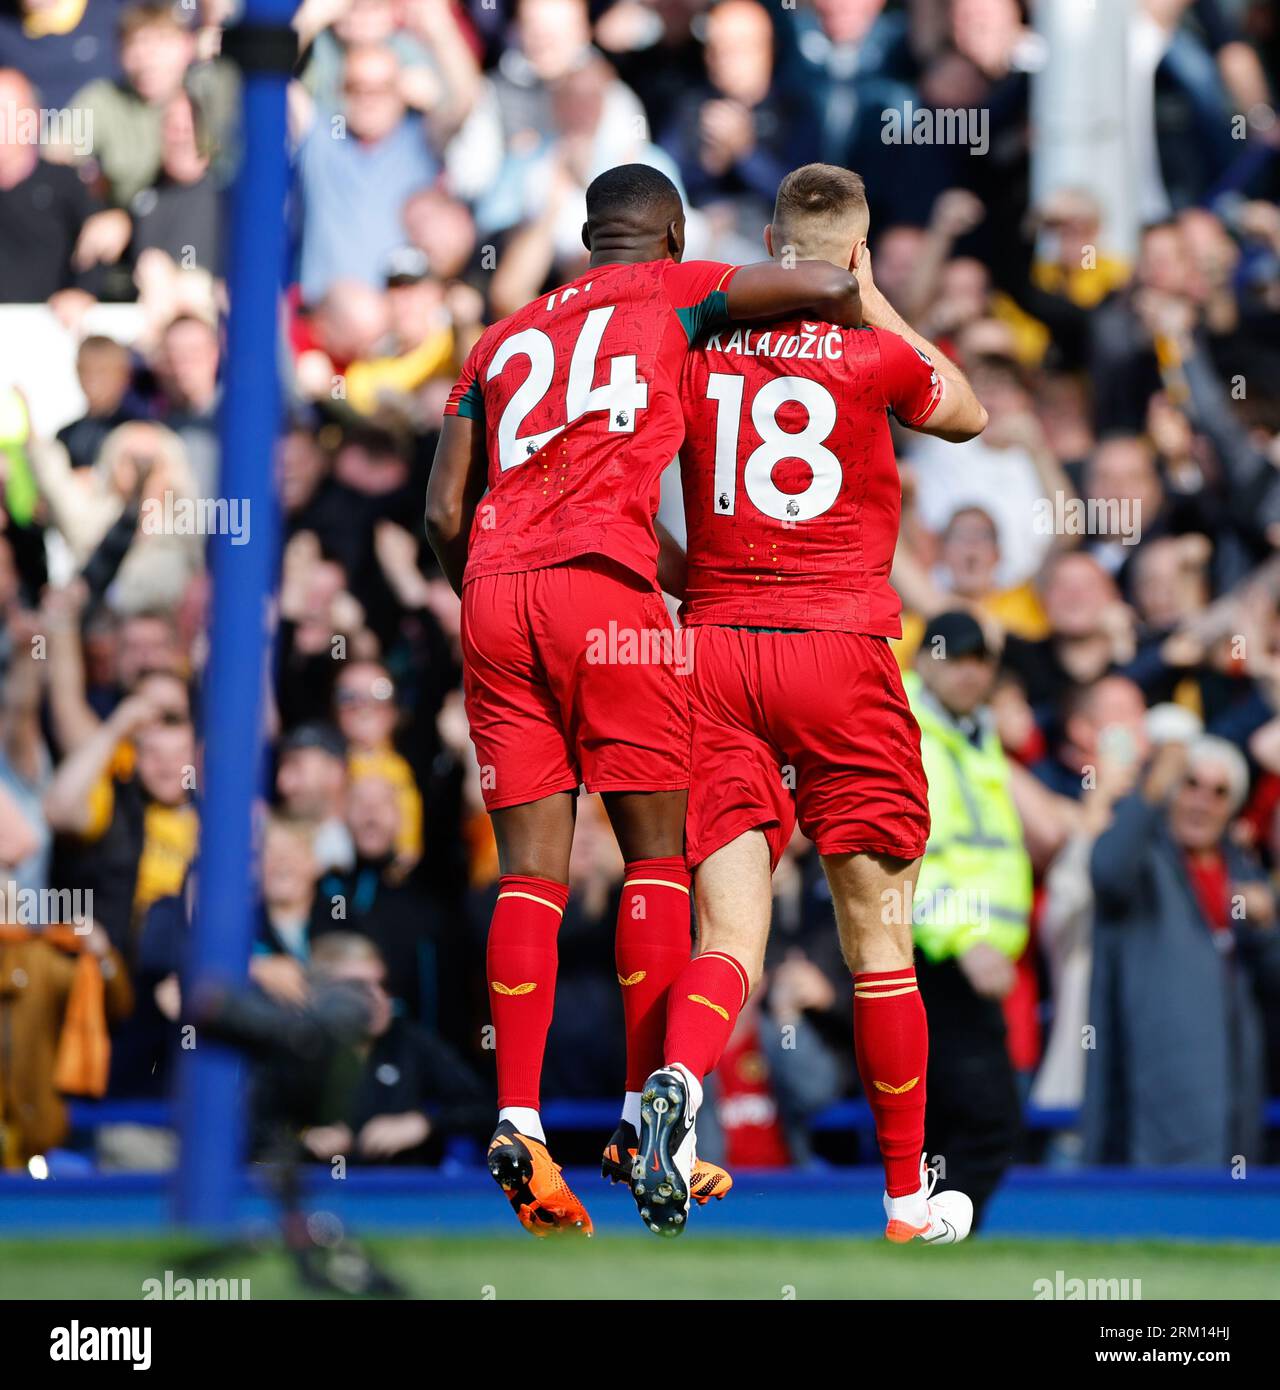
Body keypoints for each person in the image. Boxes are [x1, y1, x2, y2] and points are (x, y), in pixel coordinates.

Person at [425, 161, 864, 1237]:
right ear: (666, 236)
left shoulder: (498, 339)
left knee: (528, 870)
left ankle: (519, 1122)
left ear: (586, 237)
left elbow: (444, 506)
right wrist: (836, 265)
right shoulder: (675, 289)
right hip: (601, 598)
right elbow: (814, 292)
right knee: (654, 855)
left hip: (490, 592)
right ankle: (635, 1117)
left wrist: (489, 593)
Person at [642, 163, 986, 1241]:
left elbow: (620, 480)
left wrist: (683, 576)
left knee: (727, 932)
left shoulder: (695, 351)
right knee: (878, 941)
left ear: (766, 238)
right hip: (838, 650)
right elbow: (966, 412)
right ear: (855, 249)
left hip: (718, 647)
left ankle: (676, 1092)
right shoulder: (873, 350)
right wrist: (867, 294)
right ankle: (901, 1198)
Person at [1086, 729, 1280, 1166]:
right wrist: (1150, 790)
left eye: (1218, 792)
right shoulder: (1144, 860)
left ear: (1231, 808)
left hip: (1235, 1084)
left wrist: (1267, 929)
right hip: (1153, 1085)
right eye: (1190, 784)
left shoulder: (1244, 872)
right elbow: (1107, 869)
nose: (1201, 802)